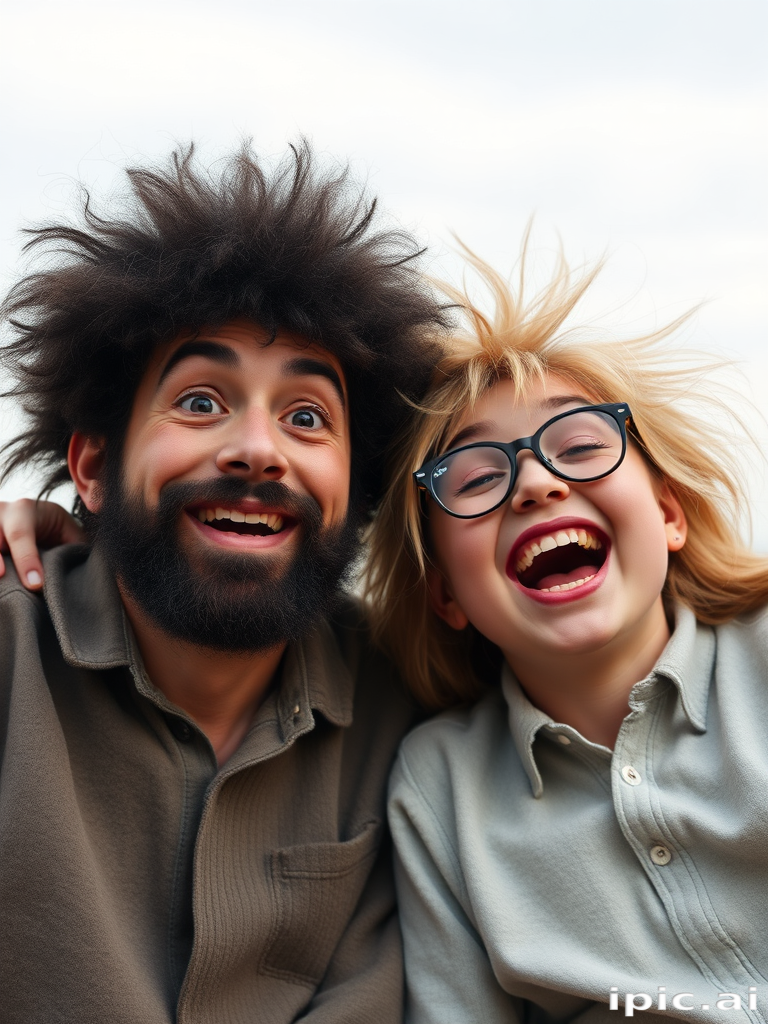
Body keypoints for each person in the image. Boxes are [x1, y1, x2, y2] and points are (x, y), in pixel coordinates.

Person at [0, 141, 447, 1024]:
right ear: (91, 467)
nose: (258, 448)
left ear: (354, 490)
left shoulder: (416, 702)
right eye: (201, 401)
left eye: (308, 416)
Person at [362, 247, 768, 1022]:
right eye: (476, 478)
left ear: (670, 514)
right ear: (444, 592)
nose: (538, 482)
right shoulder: (437, 786)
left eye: (581, 445)